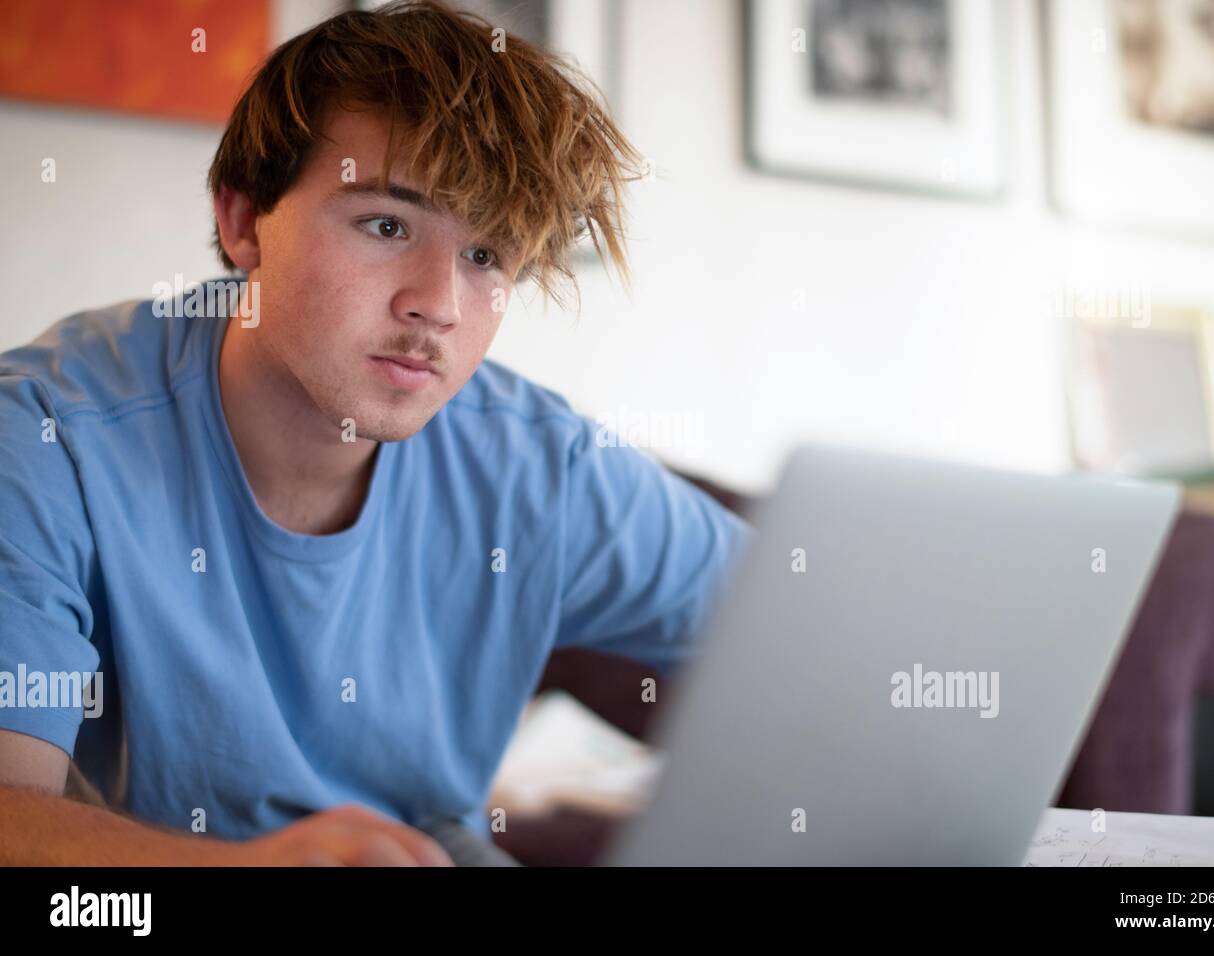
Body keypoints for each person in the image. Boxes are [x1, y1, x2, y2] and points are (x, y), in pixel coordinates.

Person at [0, 0, 751, 866]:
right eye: (387, 225)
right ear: (244, 221)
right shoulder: (48, 436)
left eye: (486, 255)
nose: (438, 303)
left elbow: (807, 627)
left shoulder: (542, 466)